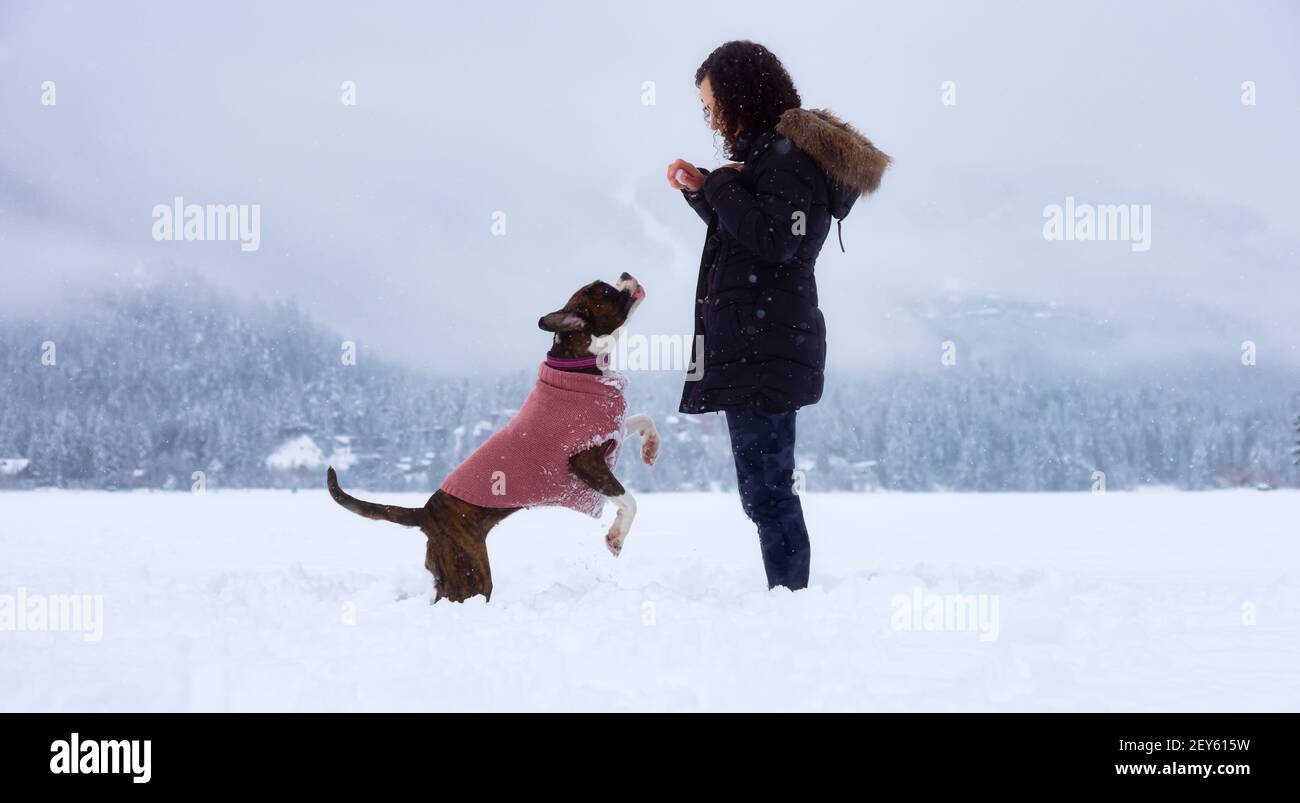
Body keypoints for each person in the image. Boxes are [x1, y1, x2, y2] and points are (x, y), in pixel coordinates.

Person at [666, 40, 890, 591]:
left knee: (767, 491)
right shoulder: (772, 156)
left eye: (713, 103)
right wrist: (707, 191)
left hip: (765, 347)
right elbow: (751, 240)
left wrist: (721, 183)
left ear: (743, 94)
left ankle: (790, 602)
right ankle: (788, 599)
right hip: (761, 342)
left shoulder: (786, 158)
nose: (711, 116)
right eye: (704, 108)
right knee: (764, 490)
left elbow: (777, 242)